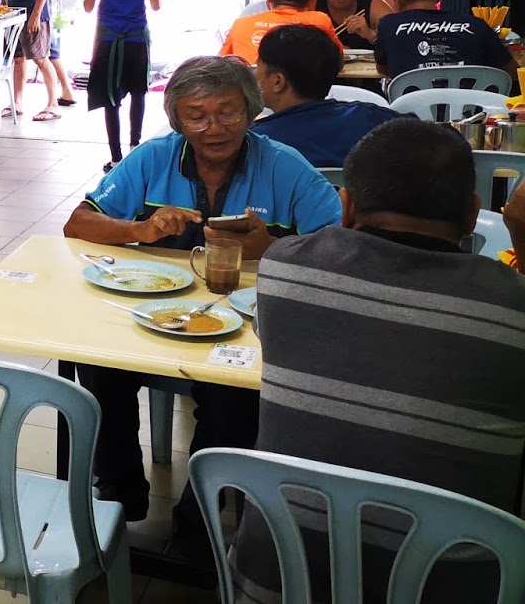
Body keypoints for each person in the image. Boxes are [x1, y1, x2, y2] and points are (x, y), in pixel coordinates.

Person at [229, 119, 525, 602]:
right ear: (473, 216)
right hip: (454, 588)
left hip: (278, 580)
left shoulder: (284, 268)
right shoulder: (511, 305)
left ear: (345, 207)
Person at [62, 56, 341, 527]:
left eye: (228, 111)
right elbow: (77, 223)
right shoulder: (154, 157)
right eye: (197, 115)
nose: (214, 127)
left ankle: (202, 507)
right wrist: (141, 229)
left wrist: (267, 246)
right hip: (155, 319)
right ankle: (120, 489)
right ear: (178, 120)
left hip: (246, 330)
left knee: (232, 396)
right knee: (98, 363)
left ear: (251, 111)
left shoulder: (285, 166)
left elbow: (338, 255)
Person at [249, 25, 403, 167]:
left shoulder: (254, 142)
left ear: (278, 81)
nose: (254, 74)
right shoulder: (374, 119)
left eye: (258, 65)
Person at [84, 0, 160, 172]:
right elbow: (156, 5)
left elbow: (88, 6)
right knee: (139, 93)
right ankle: (135, 148)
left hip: (107, 42)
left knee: (110, 98)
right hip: (137, 41)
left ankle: (116, 158)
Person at [375, 0, 515, 83]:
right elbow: (511, 71)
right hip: (472, 112)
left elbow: (384, 69)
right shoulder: (476, 25)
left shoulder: (388, 25)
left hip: (409, 110)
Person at [220, 0, 341, 65]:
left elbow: (221, 64)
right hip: (300, 93)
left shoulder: (240, 24)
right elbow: (338, 62)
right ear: (312, 0)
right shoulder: (319, 21)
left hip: (249, 92)